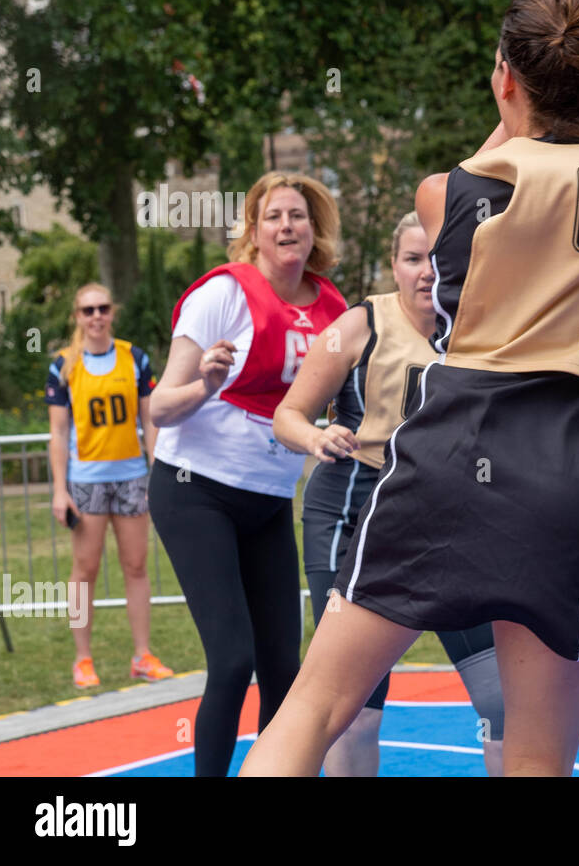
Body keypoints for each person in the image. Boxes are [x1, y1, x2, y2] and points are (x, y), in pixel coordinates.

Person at [239, 0, 579, 777]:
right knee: (536, 760)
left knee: (314, 707)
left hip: (449, 449)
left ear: (506, 79)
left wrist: (526, 81)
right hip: (572, 470)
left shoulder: (444, 194)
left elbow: (489, 167)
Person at [275, 211, 505, 776]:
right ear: (394, 267)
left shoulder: (486, 326)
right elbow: (288, 414)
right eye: (412, 258)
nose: (428, 272)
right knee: (351, 706)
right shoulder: (358, 324)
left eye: (438, 257)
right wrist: (316, 434)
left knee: (503, 701)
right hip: (354, 513)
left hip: (445, 519)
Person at [149, 172, 347, 776]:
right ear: (254, 233)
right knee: (233, 660)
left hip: (267, 502)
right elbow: (158, 406)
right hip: (195, 490)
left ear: (315, 230)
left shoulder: (334, 310)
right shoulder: (224, 295)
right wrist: (206, 384)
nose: (287, 226)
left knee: (284, 668)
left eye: (298, 216)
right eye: (274, 217)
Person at [44, 284, 170, 688]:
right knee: (85, 570)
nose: (95, 316)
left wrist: (157, 474)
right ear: (77, 317)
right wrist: (60, 490)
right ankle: (82, 659)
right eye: (87, 310)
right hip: (86, 481)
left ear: (112, 312)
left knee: (136, 566)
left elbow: (150, 421)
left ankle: (142, 655)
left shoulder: (134, 359)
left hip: (131, 475)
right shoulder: (64, 365)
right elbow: (58, 433)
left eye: (102, 308)